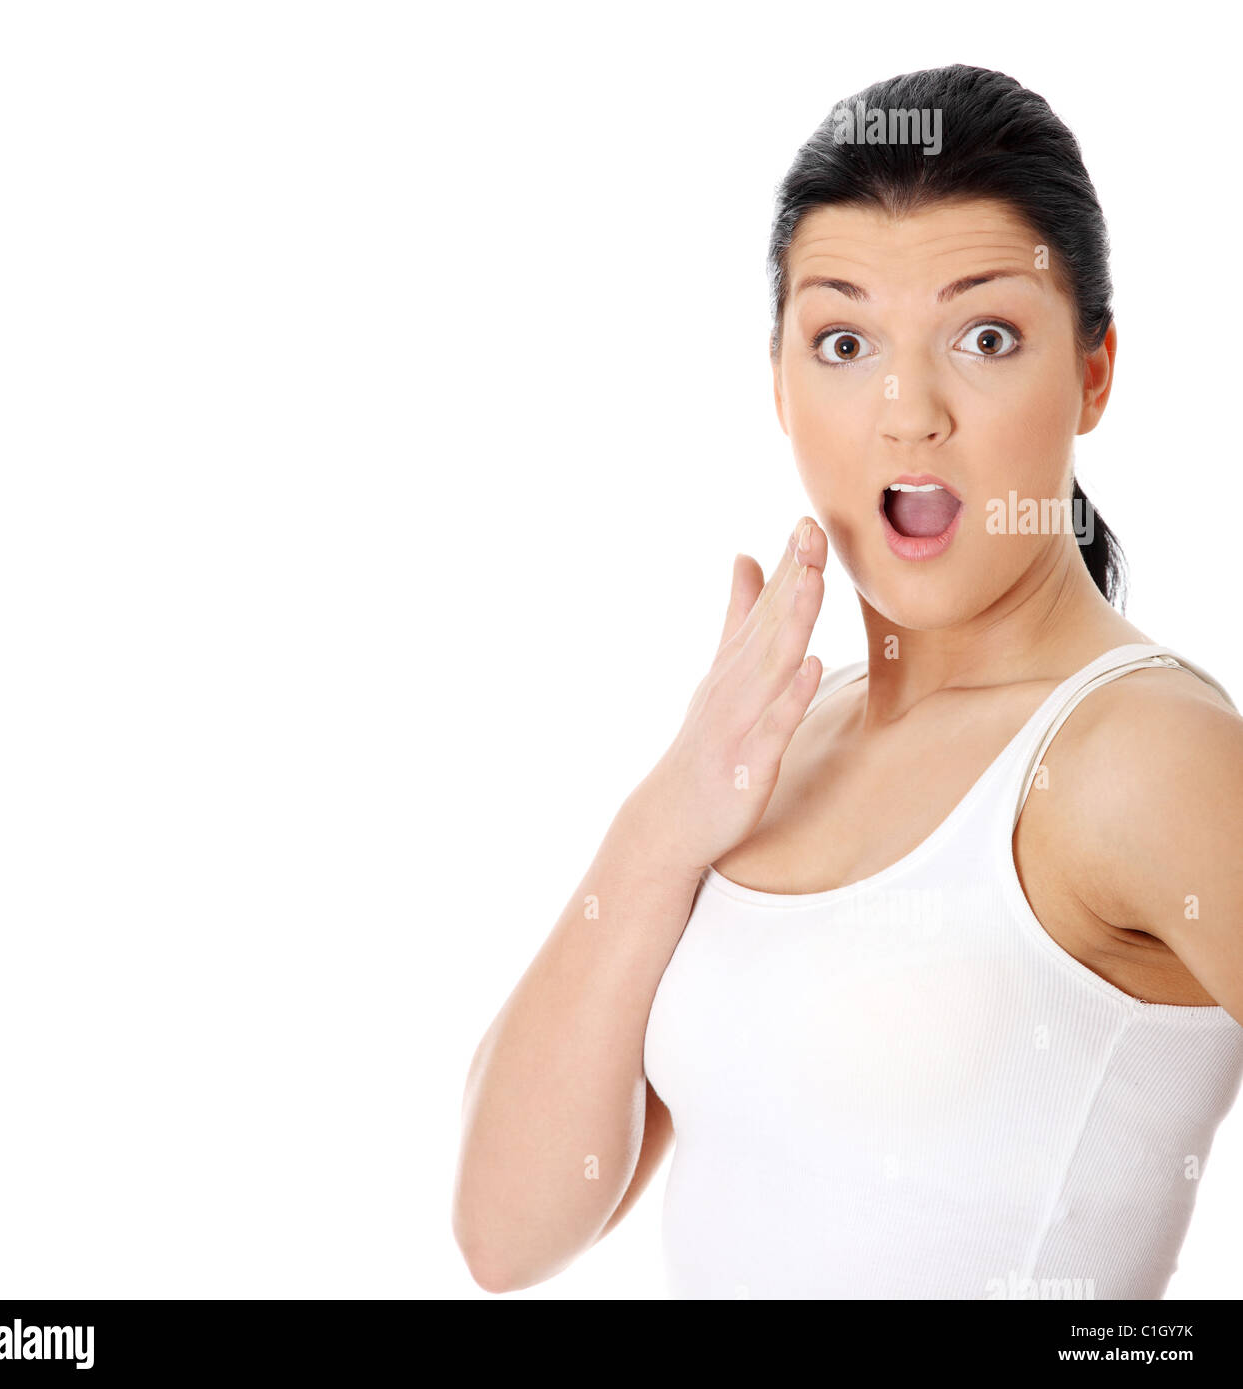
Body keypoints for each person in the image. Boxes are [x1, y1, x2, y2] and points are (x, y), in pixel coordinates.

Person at [451, 63, 1243, 1299]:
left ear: (1092, 370)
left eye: (986, 337)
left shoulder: (1140, 753)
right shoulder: (763, 756)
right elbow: (508, 1234)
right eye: (842, 339)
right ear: (777, 379)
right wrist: (662, 825)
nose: (906, 411)